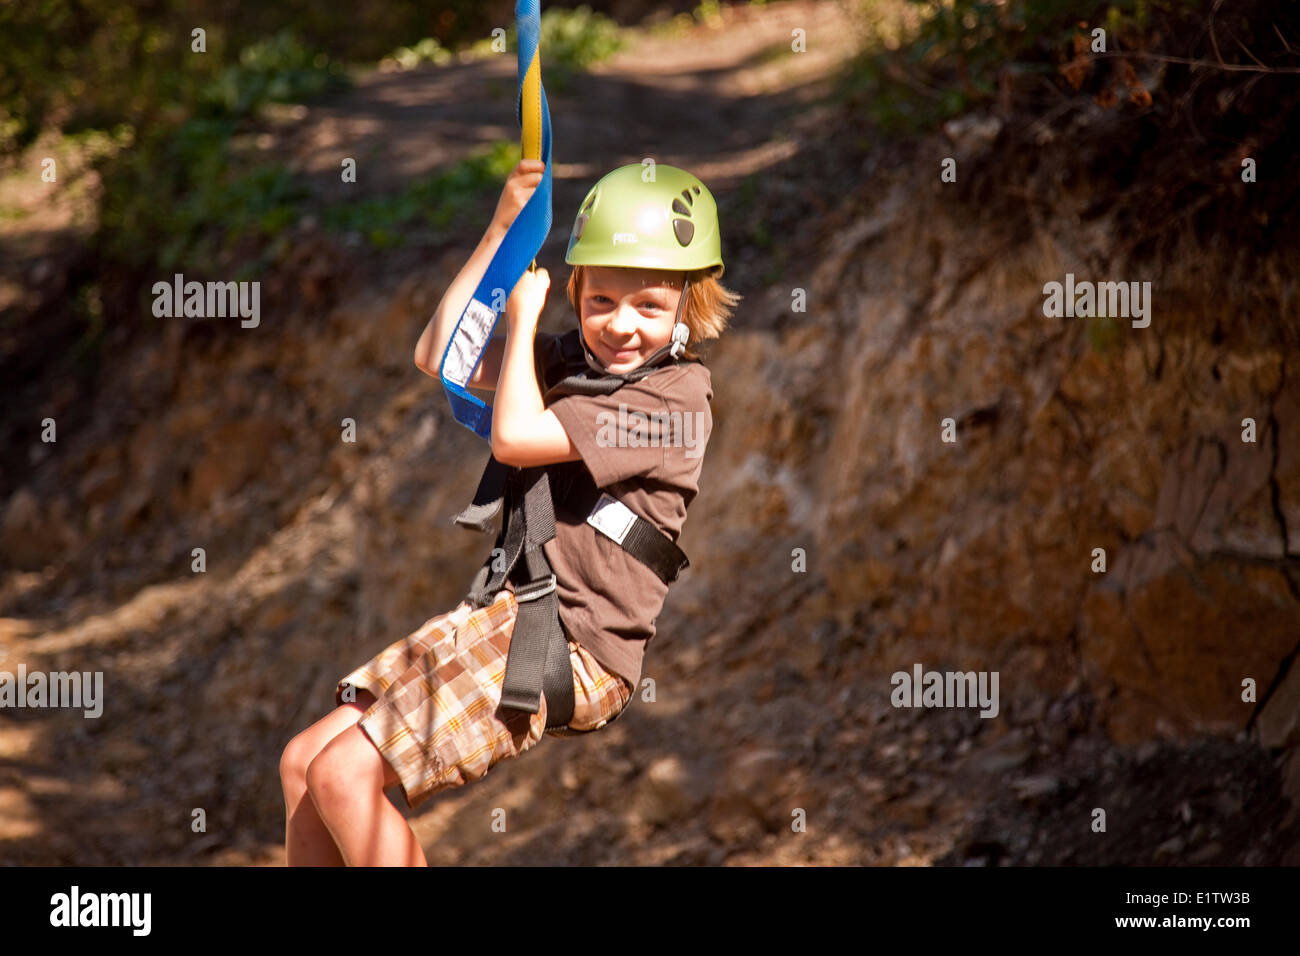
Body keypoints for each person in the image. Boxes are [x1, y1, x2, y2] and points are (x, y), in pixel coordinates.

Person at [278, 159, 741, 866]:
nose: (620, 326)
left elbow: (517, 440)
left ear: (688, 307)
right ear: (578, 293)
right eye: (601, 301)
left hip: (576, 644)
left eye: (648, 306)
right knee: (305, 762)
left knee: (345, 774)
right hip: (509, 613)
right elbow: (441, 354)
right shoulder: (567, 362)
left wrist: (524, 319)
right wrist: (500, 230)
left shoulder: (676, 404)